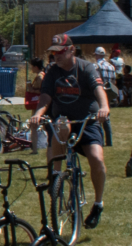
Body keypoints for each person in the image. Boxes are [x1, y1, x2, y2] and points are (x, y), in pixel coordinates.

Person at [31, 34, 109, 228]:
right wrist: (38, 114)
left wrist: (104, 107)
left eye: (60, 51)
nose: (56, 56)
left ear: (71, 50)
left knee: (97, 160)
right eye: (53, 52)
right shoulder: (52, 72)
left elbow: (99, 88)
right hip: (64, 120)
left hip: (87, 121)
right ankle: (56, 179)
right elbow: (45, 97)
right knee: (59, 125)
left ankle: (98, 204)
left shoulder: (85, 68)